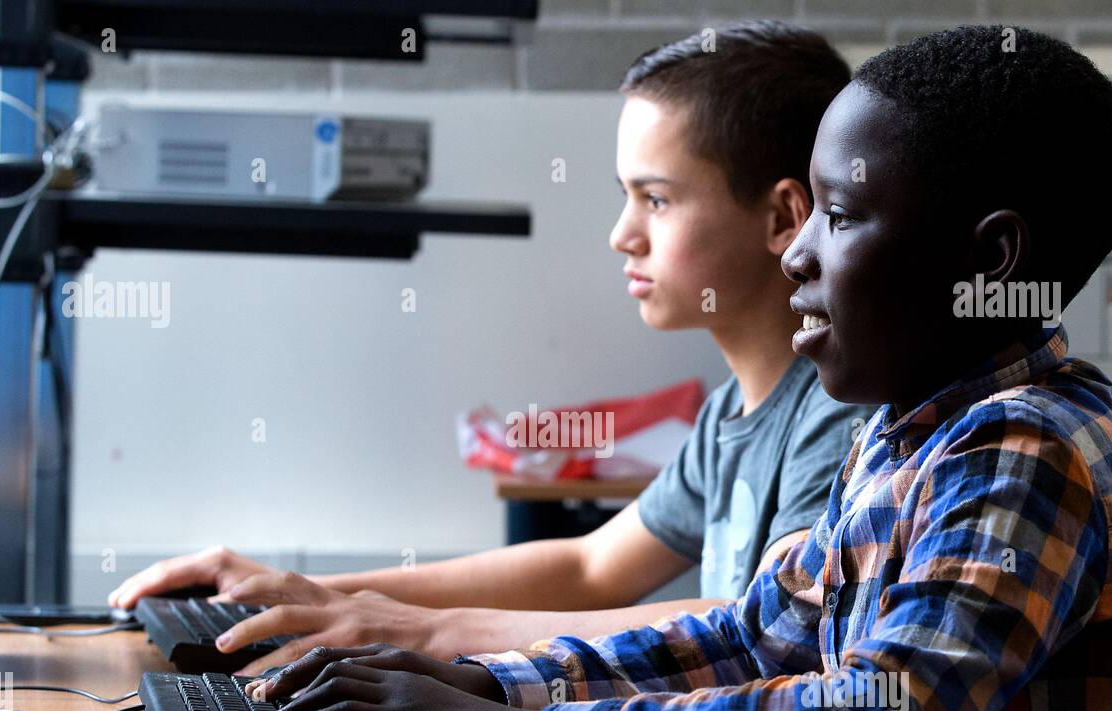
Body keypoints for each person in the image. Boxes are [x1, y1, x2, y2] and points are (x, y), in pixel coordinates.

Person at [243, 25, 1112, 711]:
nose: (798, 254)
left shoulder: (1023, 450)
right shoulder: (913, 435)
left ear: (991, 262)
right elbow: (752, 637)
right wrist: (480, 685)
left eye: (843, 215)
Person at [110, 21, 869, 669]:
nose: (620, 235)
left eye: (657, 199)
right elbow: (587, 565)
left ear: (781, 220)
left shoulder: (840, 414)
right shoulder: (733, 414)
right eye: (625, 196)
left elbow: (764, 629)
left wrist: (435, 632)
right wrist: (307, 594)